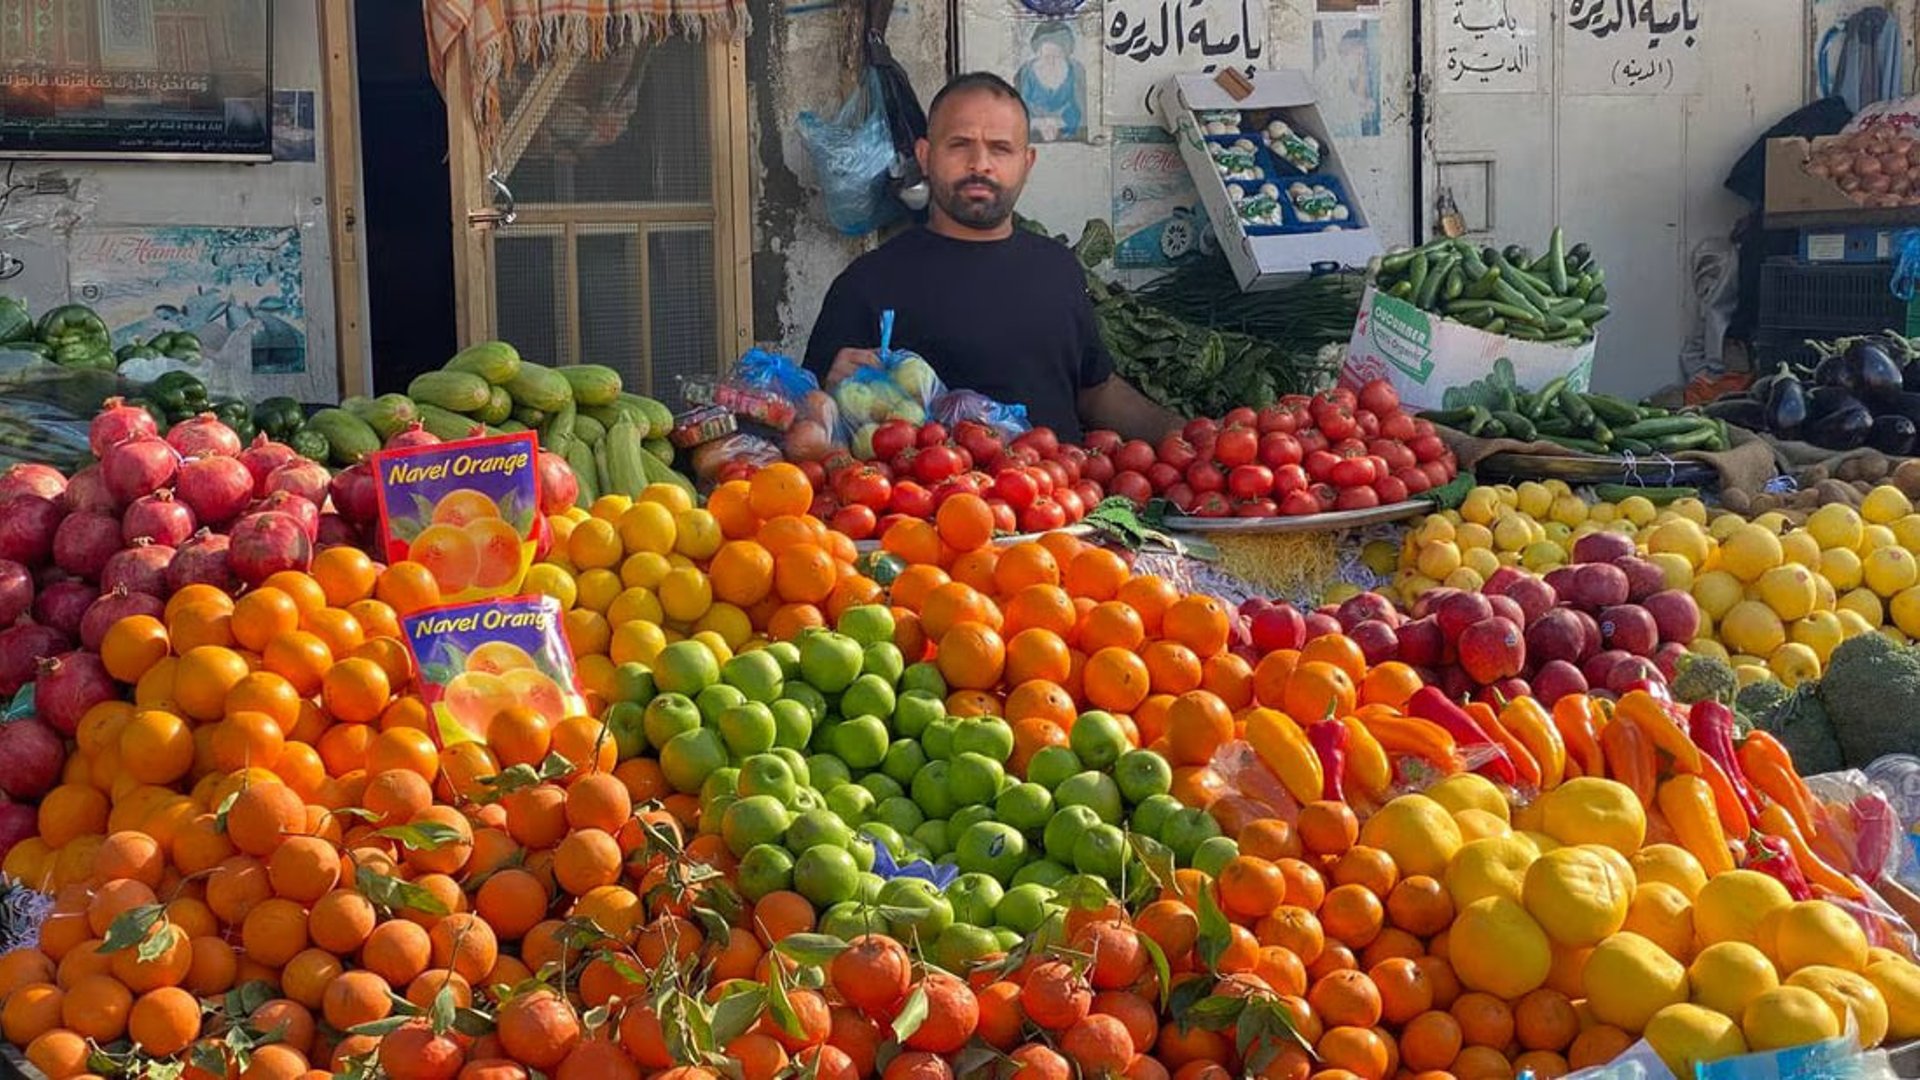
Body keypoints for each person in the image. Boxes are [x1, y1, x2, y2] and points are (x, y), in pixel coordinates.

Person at [803, 73, 1181, 444]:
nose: (980, 164)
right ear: (925, 155)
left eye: (1000, 148)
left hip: (1063, 499)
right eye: (959, 144)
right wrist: (829, 389)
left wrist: (1182, 433)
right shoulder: (868, 283)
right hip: (939, 502)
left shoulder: (1058, 268)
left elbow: (1094, 391)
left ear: (1027, 162)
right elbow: (808, 422)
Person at [1016, 22, 1086, 142]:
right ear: (1038, 52)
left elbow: (1080, 110)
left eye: (1057, 56)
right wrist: (1039, 124)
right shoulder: (1026, 72)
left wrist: (1060, 123)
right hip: (1031, 135)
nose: (1051, 61)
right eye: (1047, 56)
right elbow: (1019, 111)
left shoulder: (1075, 70)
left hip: (1069, 134)